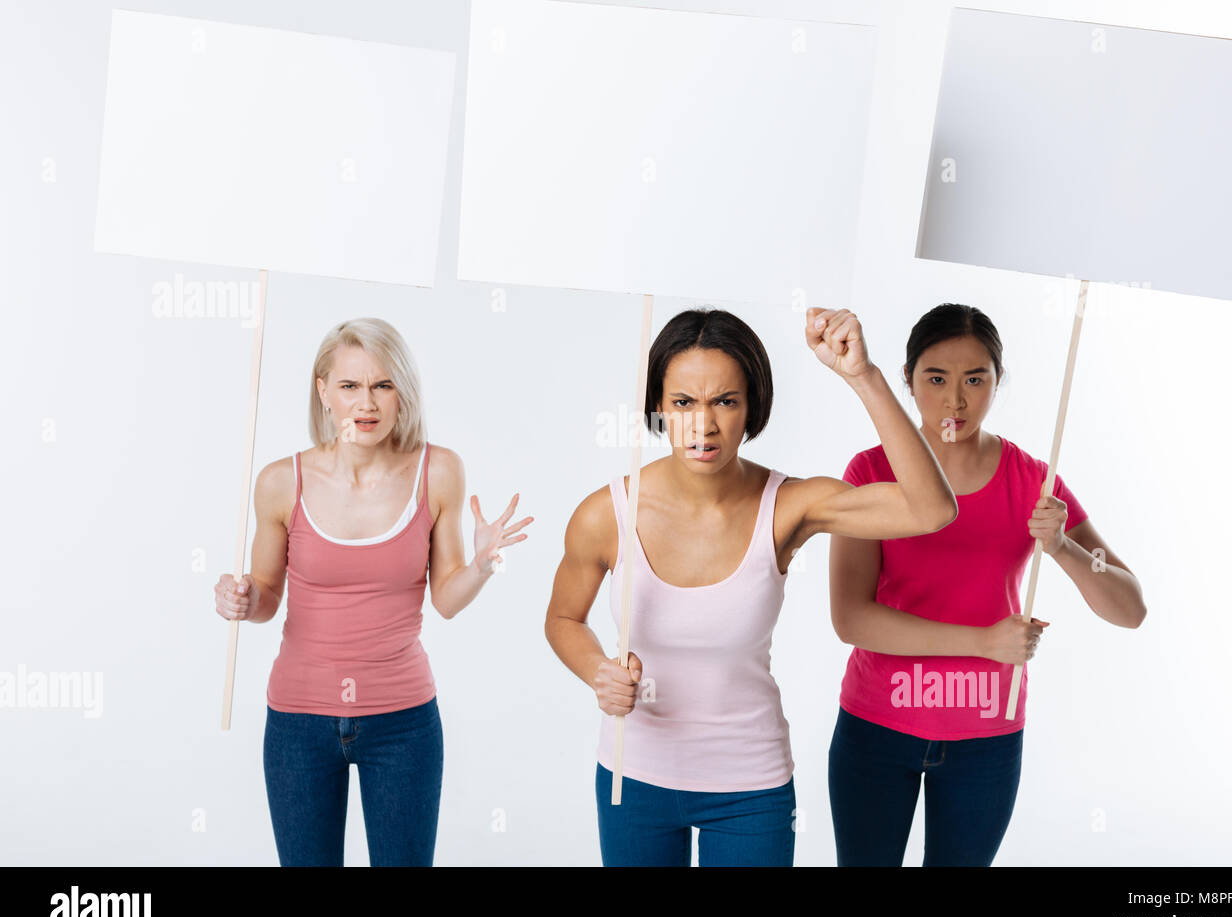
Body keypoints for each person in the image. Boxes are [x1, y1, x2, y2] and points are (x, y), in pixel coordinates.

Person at [544, 306, 958, 866]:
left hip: (750, 788)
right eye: (684, 402)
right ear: (659, 407)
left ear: (751, 407)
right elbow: (564, 619)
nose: (704, 425)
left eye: (726, 401)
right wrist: (598, 671)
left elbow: (931, 509)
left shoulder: (789, 506)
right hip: (633, 777)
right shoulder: (605, 514)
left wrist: (863, 376)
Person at [827, 302, 1147, 866]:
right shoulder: (871, 473)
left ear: (999, 382)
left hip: (986, 739)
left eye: (976, 379)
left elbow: (1129, 608)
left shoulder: (1031, 480)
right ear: (906, 379)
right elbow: (851, 618)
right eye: (936, 379)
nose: (955, 400)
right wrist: (982, 642)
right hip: (876, 727)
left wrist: (1065, 548)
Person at [213, 317, 532, 866]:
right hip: (298, 723)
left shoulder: (439, 471)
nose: (367, 403)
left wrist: (482, 563)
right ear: (323, 391)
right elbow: (265, 597)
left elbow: (447, 600)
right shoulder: (279, 482)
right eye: (350, 386)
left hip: (403, 723)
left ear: (402, 392)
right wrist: (239, 599)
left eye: (383, 385)